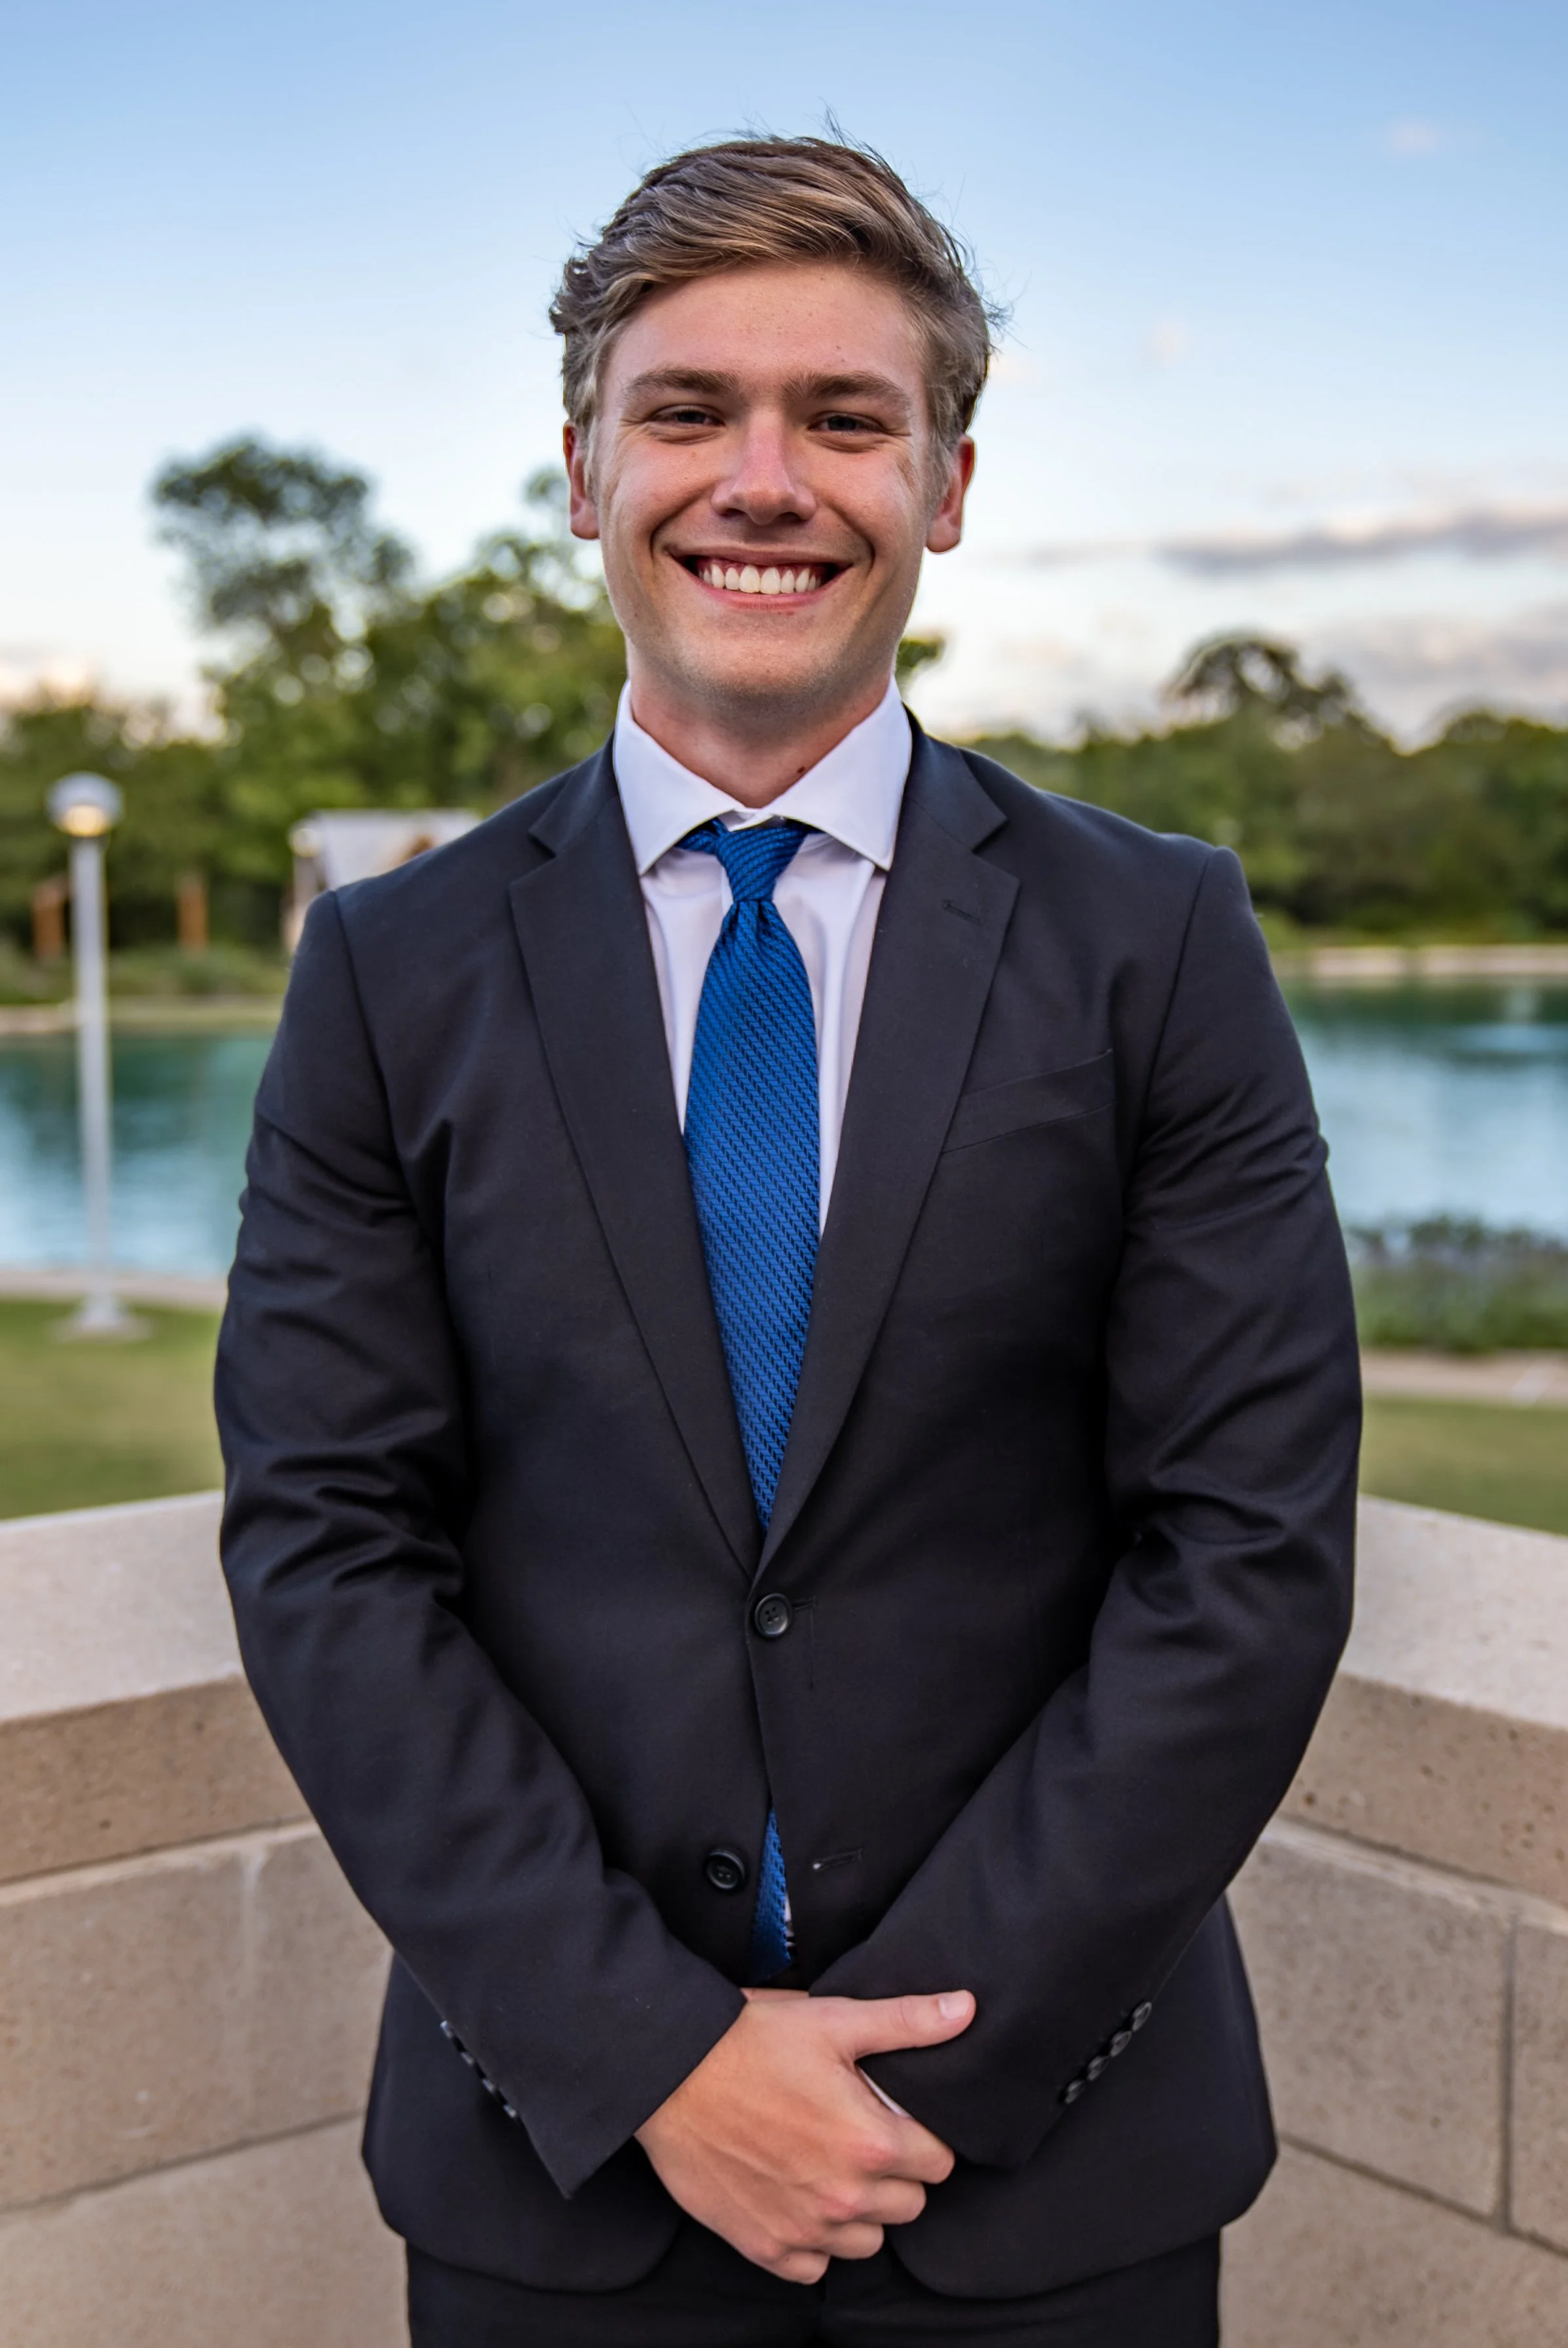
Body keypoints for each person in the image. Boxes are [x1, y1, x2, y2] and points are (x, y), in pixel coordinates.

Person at [216, 135, 1360, 2348]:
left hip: (1048, 2177)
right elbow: (330, 1550)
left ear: (946, 482)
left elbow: (1245, 1547)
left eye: (843, 418)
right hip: (558, 2175)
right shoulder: (386, 973)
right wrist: (654, 2058)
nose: (764, 480)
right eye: (688, 412)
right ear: (584, 471)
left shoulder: (1158, 943)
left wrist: (903, 2082)